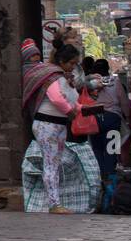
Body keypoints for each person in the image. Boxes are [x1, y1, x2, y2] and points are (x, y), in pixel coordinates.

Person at [20, 40, 100, 213]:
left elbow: (73, 102)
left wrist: (86, 109)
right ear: (62, 61)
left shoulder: (64, 79)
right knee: (51, 164)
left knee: (54, 164)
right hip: (47, 125)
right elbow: (57, 99)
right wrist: (71, 112)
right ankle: (54, 205)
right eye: (71, 63)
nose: (73, 67)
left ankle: (55, 203)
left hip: (58, 125)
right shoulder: (52, 75)